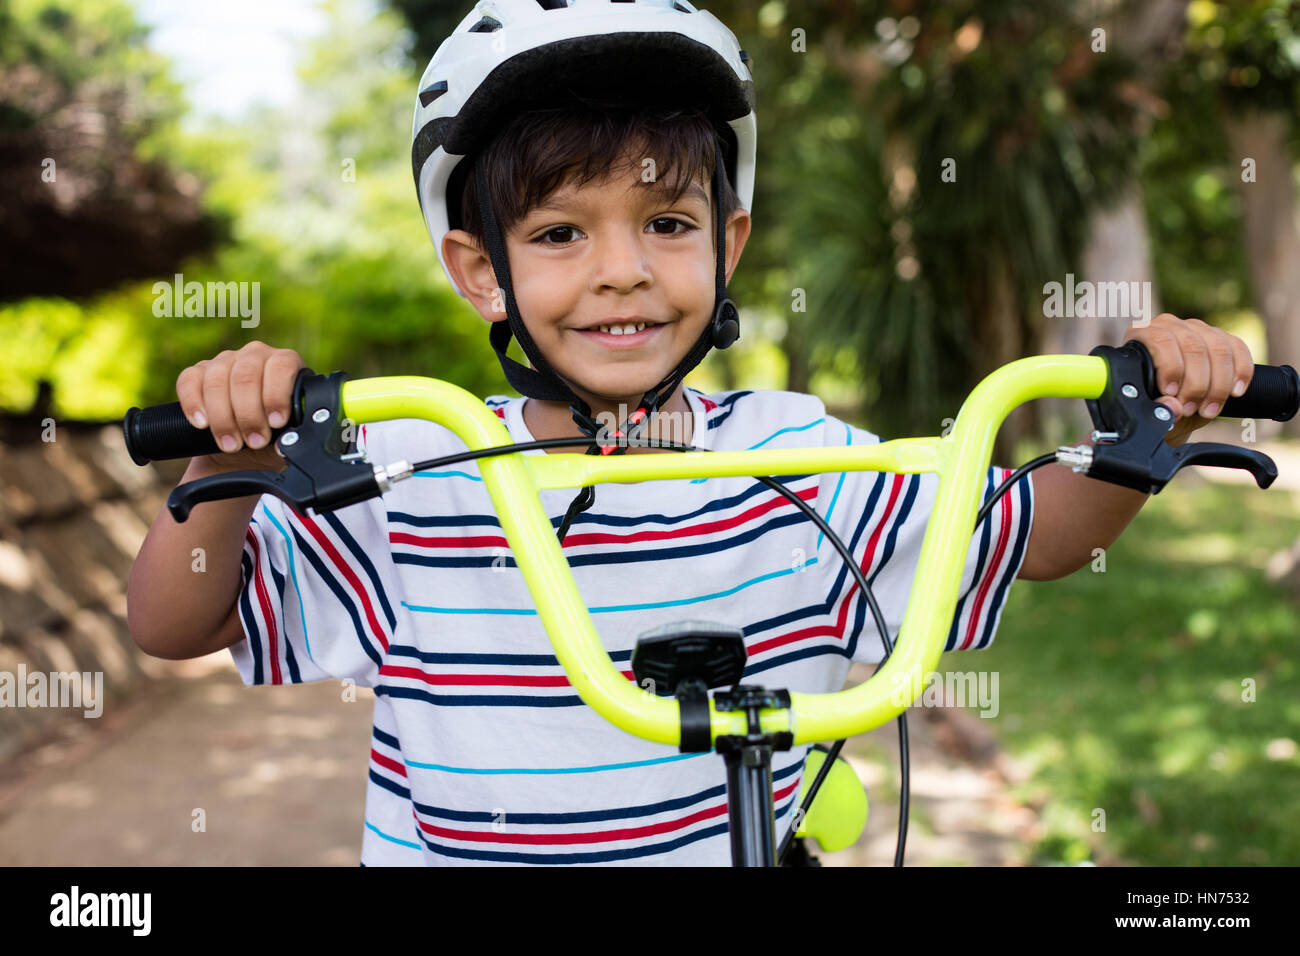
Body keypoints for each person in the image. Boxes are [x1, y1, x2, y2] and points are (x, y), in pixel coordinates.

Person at [126, 0, 1255, 866]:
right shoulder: (418, 475)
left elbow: (1030, 533)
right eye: (561, 232)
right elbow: (176, 619)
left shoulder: (792, 457)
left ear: (729, 242)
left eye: (666, 222)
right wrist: (228, 460)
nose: (622, 268)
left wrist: (1142, 425)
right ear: (481, 271)